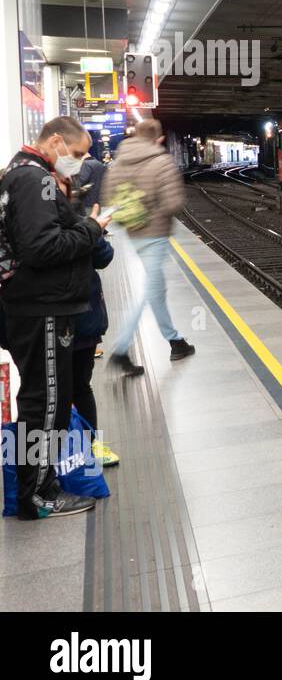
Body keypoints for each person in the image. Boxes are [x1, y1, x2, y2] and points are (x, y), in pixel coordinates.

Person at [0, 116, 111, 518]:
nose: (80, 163)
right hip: (41, 307)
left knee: (48, 401)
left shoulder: (25, 175)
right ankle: (37, 495)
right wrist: (93, 229)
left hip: (42, 306)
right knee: (44, 404)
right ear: (56, 142)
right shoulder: (34, 181)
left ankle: (43, 484)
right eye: (77, 153)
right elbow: (41, 249)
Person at [104, 119, 194, 375]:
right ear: (159, 138)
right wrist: (153, 210)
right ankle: (121, 349)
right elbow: (173, 203)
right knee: (147, 292)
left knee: (156, 289)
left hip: (133, 233)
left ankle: (175, 340)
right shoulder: (161, 161)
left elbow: (109, 199)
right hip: (154, 233)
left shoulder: (118, 162)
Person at [70, 160, 120, 467]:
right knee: (65, 389)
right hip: (63, 317)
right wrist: (92, 229)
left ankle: (83, 449)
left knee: (74, 386)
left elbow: (103, 256)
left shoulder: (73, 214)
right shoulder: (67, 215)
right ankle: (77, 452)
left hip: (81, 318)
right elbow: (102, 255)